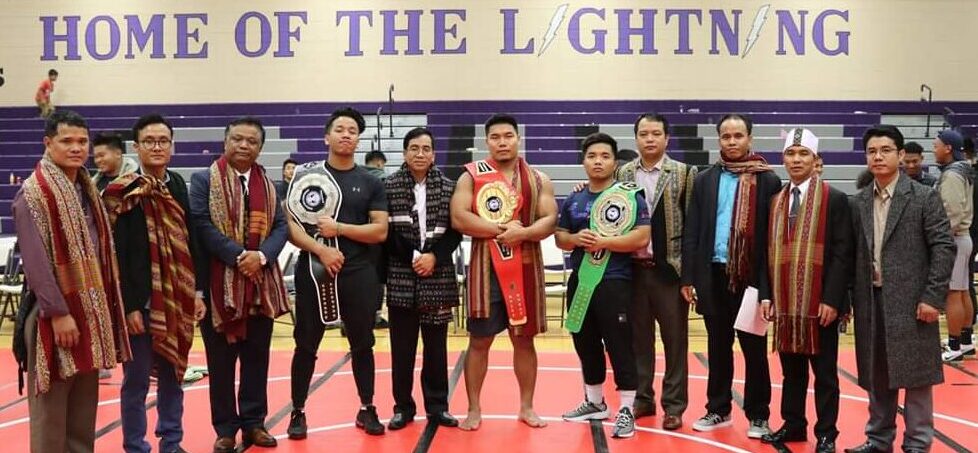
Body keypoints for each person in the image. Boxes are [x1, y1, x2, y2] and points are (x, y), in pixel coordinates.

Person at [13, 110, 131, 452]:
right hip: (54, 315)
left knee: (82, 416)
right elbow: (35, 265)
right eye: (67, 141)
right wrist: (59, 312)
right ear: (48, 144)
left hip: (90, 314)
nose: (77, 148)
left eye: (82, 141)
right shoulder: (33, 194)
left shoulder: (86, 189)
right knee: (51, 416)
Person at [844, 125, 954, 453]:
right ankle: (879, 439)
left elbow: (944, 247)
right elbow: (853, 255)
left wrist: (933, 297)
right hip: (871, 300)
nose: (878, 156)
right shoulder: (859, 201)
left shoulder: (923, 197)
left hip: (913, 302)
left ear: (901, 155)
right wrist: (850, 299)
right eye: (872, 151)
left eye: (886, 150)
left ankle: (918, 443)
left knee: (917, 377)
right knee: (877, 374)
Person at [103, 114, 207, 453]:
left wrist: (197, 291)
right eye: (149, 141)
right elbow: (114, 255)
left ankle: (171, 442)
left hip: (176, 299)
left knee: (174, 373)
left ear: (173, 146)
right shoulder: (121, 190)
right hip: (140, 304)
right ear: (136, 147)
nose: (157, 146)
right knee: (135, 380)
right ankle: (135, 445)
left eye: (163, 140)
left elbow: (191, 243)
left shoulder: (178, 185)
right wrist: (129, 304)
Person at [284, 107, 389, 438]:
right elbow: (291, 226)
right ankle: (297, 412)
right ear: (326, 136)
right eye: (340, 129)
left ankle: (367, 407)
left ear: (358, 139)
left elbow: (379, 232)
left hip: (358, 271)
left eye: (352, 131)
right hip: (313, 269)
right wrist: (322, 250)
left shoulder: (370, 181)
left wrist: (339, 229)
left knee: (363, 342)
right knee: (305, 343)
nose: (346, 135)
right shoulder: (306, 176)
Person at [189, 117, 291, 453]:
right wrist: (238, 256)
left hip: (260, 286)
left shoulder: (270, 184)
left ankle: (254, 423)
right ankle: (225, 429)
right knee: (220, 364)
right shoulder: (203, 180)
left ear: (260, 148)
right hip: (218, 287)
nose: (243, 145)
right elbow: (201, 225)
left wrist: (260, 257)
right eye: (237, 139)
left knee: (256, 359)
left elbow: (280, 228)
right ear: (225, 141)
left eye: (251, 141)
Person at [450, 113, 557, 430]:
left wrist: (521, 234)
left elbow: (549, 220)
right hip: (486, 272)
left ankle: (526, 407)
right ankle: (473, 409)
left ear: (518, 138)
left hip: (524, 270)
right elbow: (459, 217)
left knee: (524, 341)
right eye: (495, 137)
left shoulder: (539, 179)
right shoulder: (471, 176)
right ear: (487, 141)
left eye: (508, 136)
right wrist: (501, 230)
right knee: (479, 341)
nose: (502, 142)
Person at [681, 114, 780, 438]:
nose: (732, 141)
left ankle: (758, 415)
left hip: (751, 278)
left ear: (750, 138)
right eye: (726, 136)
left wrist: (767, 287)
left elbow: (772, 239)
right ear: (718, 140)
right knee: (718, 346)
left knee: (754, 349)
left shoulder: (768, 181)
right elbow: (693, 230)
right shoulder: (705, 179)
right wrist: (689, 278)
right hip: (713, 274)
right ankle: (718, 409)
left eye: (738, 135)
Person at [759, 129, 853, 453]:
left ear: (816, 160)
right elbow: (766, 252)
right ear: (782, 159)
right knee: (792, 372)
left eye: (803, 155)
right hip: (785, 302)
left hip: (819, 303)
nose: (796, 160)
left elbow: (843, 254)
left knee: (825, 375)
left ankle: (826, 432)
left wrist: (832, 299)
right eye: (790, 154)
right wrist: (767, 295)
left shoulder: (835, 199)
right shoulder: (775, 202)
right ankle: (794, 424)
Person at [556, 133, 650, 439]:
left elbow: (641, 237)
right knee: (584, 342)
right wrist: (574, 240)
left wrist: (605, 241)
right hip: (581, 282)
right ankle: (595, 402)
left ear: (614, 162)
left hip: (615, 283)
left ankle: (626, 409)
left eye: (605, 156)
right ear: (583, 161)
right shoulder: (575, 197)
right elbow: (560, 236)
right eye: (592, 156)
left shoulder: (629, 195)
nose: (598, 161)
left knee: (619, 345)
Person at [615, 113, 697, 430]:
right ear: (636, 138)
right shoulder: (622, 172)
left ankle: (674, 406)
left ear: (666, 138)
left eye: (656, 134)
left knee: (675, 341)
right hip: (632, 270)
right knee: (638, 340)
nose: (650, 139)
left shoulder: (684, 173)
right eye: (644, 134)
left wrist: (688, 276)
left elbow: (691, 227)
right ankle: (642, 399)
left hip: (669, 271)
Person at [384, 127, 461, 430]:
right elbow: (384, 232)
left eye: (425, 148)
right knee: (402, 349)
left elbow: (456, 230)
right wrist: (415, 257)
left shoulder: (450, 186)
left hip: (438, 275)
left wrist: (434, 257)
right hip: (402, 275)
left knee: (436, 348)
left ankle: (438, 406)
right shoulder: (387, 186)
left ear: (433, 154)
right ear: (404, 153)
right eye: (414, 148)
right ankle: (403, 407)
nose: (420, 154)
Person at [932, 130, 975, 362]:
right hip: (963, 238)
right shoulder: (963, 170)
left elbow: (952, 212)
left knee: (953, 292)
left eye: (936, 144)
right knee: (963, 290)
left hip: (954, 238)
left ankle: (954, 344)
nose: (933, 148)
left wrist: (940, 238)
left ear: (948, 148)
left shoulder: (951, 176)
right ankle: (966, 341)